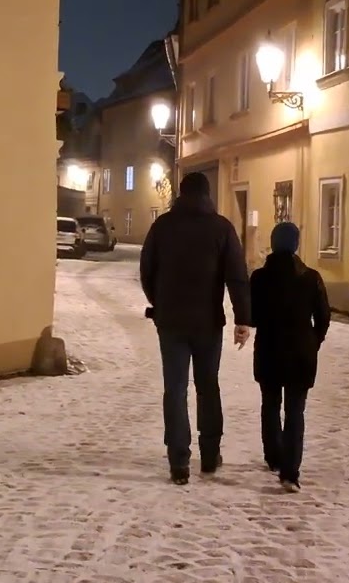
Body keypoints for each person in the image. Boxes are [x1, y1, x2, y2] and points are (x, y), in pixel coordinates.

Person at [140, 171, 251, 485]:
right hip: (208, 322)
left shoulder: (162, 227)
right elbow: (237, 275)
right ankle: (210, 454)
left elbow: (146, 270)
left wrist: (159, 301)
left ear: (180, 194)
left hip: (171, 322)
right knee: (208, 386)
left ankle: (178, 461)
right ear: (208, 194)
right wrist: (243, 318)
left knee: (174, 389)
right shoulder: (221, 228)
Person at [249, 221, 330, 493]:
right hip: (300, 354)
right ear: (296, 245)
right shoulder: (311, 277)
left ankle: (273, 456)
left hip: (269, 350)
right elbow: (323, 317)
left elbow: (253, 316)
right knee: (295, 411)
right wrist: (313, 341)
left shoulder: (259, 278)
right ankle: (290, 472)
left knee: (270, 405)